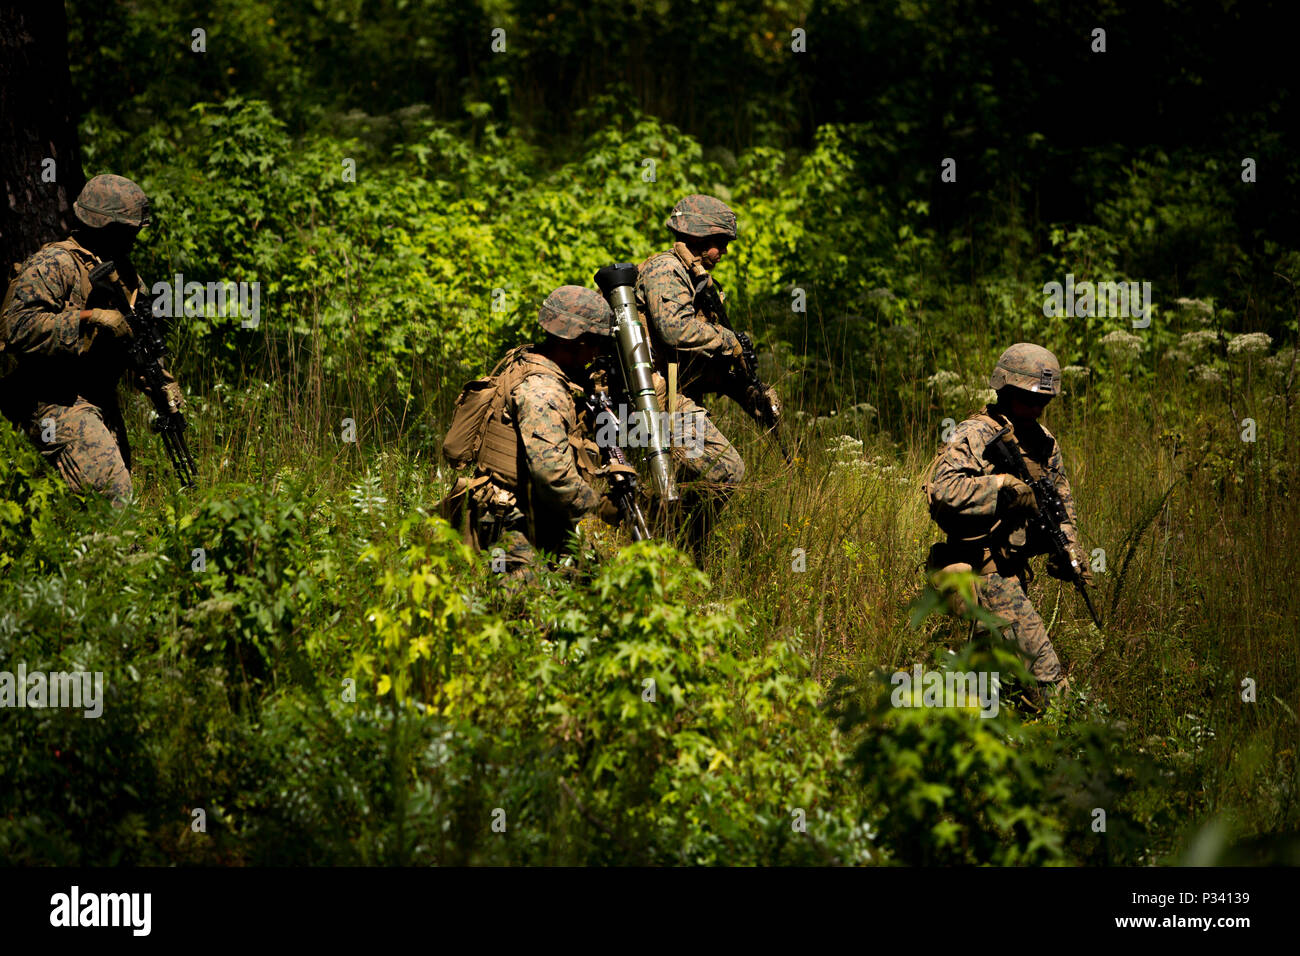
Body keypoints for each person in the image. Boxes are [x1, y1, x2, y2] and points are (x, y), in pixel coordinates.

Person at [0, 173, 184, 505]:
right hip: (53, 401)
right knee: (115, 499)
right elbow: (15, 327)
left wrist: (161, 380)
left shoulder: (125, 276)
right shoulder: (55, 263)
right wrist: (89, 318)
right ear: (104, 227)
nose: (133, 238)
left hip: (98, 402)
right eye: (127, 230)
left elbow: (137, 342)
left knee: (103, 510)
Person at [925, 343, 1091, 703]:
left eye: (1042, 402)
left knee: (993, 690)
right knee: (1050, 687)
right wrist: (1000, 488)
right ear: (1004, 389)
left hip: (1013, 571)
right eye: (1027, 399)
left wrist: (1069, 548)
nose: (1035, 408)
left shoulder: (1044, 443)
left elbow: (1061, 502)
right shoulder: (975, 433)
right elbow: (942, 492)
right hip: (981, 571)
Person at [443, 285, 621, 582]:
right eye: (596, 343)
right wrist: (602, 509)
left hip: (526, 512)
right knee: (529, 611)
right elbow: (552, 476)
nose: (598, 353)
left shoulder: (530, 360)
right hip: (512, 522)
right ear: (577, 341)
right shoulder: (543, 390)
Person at [634, 193, 779, 549]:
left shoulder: (694, 279)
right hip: (653, 397)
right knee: (725, 469)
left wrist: (750, 395)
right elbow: (673, 330)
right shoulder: (666, 270)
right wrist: (729, 341)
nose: (724, 253)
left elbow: (700, 361)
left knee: (713, 472)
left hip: (670, 393)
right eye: (720, 244)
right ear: (699, 237)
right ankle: (675, 542)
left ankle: (668, 544)